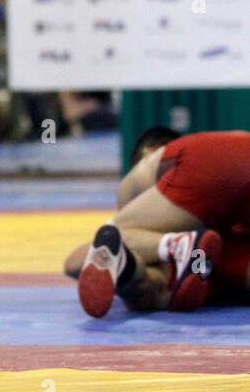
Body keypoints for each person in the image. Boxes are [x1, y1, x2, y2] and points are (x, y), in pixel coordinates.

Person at [65, 128, 250, 317]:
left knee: (109, 245)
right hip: (216, 260)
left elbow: (78, 261)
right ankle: (128, 268)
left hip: (215, 170)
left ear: (150, 152)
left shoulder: (147, 171)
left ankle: (173, 247)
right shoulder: (217, 220)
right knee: (148, 290)